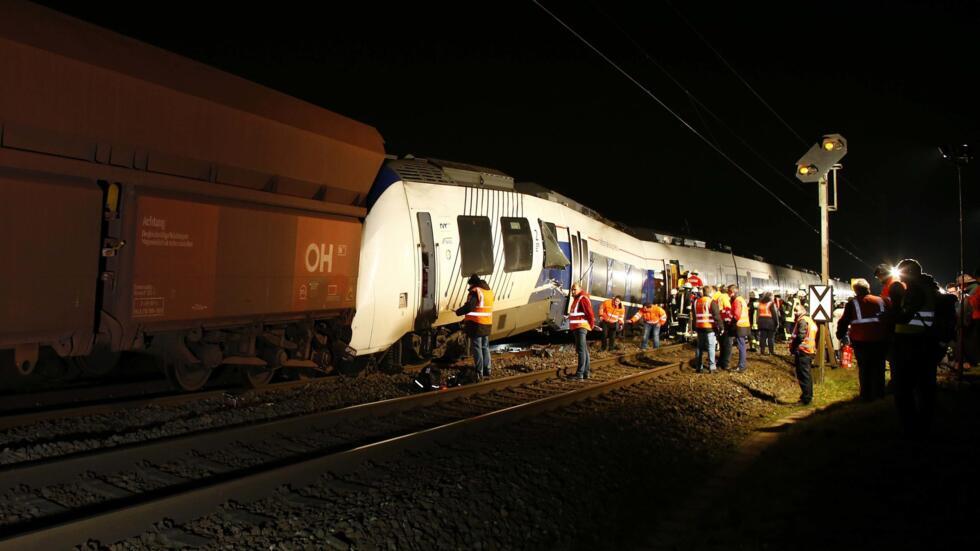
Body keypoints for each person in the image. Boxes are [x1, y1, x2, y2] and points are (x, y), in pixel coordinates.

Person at [887, 258, 952, 436]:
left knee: (903, 388)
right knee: (925, 387)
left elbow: (904, 317)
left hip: (912, 344)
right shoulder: (927, 288)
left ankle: (912, 428)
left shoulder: (915, 290)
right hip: (925, 343)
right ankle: (924, 424)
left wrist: (891, 312)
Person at [836, 278, 888, 401]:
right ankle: (880, 394)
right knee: (879, 367)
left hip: (861, 341)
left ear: (856, 290)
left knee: (865, 369)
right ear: (868, 288)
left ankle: (866, 395)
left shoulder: (852, 304)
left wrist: (840, 334)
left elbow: (844, 321)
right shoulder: (881, 301)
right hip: (880, 340)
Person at [454, 274, 493, 379]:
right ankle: (487, 370)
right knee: (485, 347)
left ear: (472, 283)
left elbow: (470, 306)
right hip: (487, 323)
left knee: (477, 348)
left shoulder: (475, 291)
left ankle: (479, 372)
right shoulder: (488, 291)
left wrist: (458, 312)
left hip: (477, 324)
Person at [790, 301, 818, 405]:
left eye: (797, 310)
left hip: (803, 351)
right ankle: (807, 396)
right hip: (809, 351)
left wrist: (793, 347)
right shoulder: (810, 320)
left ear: (803, 311)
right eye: (794, 311)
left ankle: (806, 399)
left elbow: (801, 336)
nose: (795, 313)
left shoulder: (802, 321)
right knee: (807, 375)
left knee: (803, 376)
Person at [567, 283, 597, 380]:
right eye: (572, 290)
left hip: (581, 327)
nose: (573, 291)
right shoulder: (577, 298)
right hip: (578, 327)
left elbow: (590, 313)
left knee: (581, 351)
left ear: (580, 289)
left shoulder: (582, 298)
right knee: (584, 351)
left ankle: (579, 374)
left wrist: (591, 325)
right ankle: (585, 373)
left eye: (574, 289)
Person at [694, 285, 722, 373]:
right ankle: (712, 367)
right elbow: (716, 316)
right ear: (710, 292)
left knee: (699, 348)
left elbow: (694, 315)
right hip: (709, 328)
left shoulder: (696, 302)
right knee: (711, 347)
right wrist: (721, 327)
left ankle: (698, 367)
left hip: (699, 327)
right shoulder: (711, 302)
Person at [727, 285, 751, 372]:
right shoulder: (741, 299)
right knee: (742, 346)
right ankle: (742, 365)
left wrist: (731, 322)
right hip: (745, 325)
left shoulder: (737, 301)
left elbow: (737, 315)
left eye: (729, 292)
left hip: (740, 326)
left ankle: (741, 366)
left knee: (741, 346)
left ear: (732, 292)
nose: (728, 294)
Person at [714, 287, 734, 369]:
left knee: (722, 344)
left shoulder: (718, 297)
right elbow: (727, 310)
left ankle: (720, 362)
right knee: (728, 344)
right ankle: (725, 364)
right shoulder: (725, 297)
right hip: (725, 323)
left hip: (720, 322)